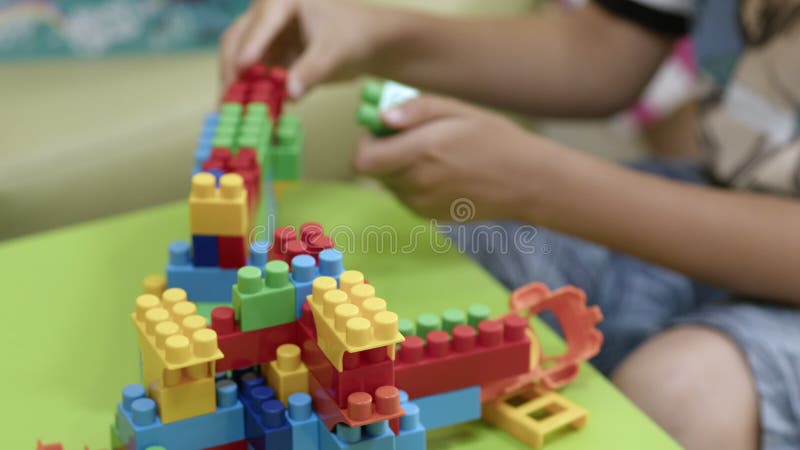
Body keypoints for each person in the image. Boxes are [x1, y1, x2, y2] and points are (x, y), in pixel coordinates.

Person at [219, 1, 800, 449]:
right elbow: (602, 51)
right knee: (428, 268)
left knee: (682, 396)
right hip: (721, 186)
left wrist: (542, 187)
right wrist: (381, 35)